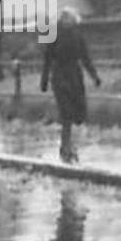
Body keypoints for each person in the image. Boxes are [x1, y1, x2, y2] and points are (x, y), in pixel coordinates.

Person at [40, 8, 100, 163]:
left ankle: (70, 144)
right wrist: (44, 80)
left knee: (77, 113)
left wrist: (94, 76)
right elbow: (47, 58)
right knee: (66, 112)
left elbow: (85, 57)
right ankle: (66, 146)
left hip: (75, 75)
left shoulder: (77, 35)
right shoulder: (52, 34)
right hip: (60, 75)